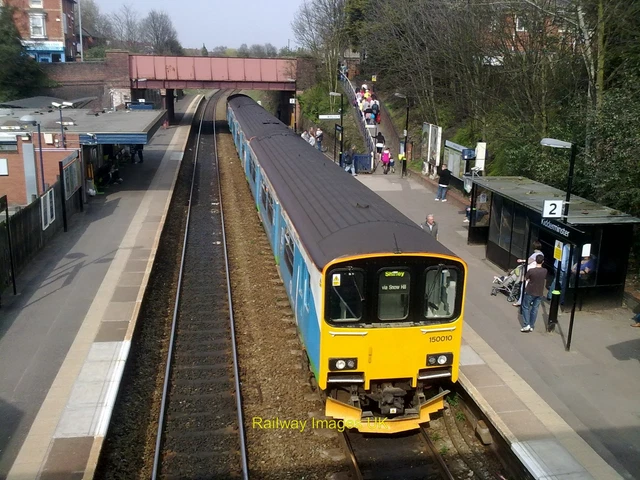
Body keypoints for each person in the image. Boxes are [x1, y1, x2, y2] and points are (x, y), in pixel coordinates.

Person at [521, 254, 547, 332]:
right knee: (534, 309)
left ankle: (526, 324)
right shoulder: (545, 271)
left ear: (535, 260)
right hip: (539, 293)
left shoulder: (531, 271)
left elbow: (525, 279)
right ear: (543, 262)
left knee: (525, 307)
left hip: (530, 291)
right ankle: (532, 325)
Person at [513, 241, 543, 307]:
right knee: (532, 288)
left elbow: (529, 261)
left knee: (523, 287)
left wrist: (521, 260)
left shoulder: (535, 254)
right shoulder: (541, 254)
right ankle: (531, 301)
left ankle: (520, 301)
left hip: (530, 273)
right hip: (536, 273)